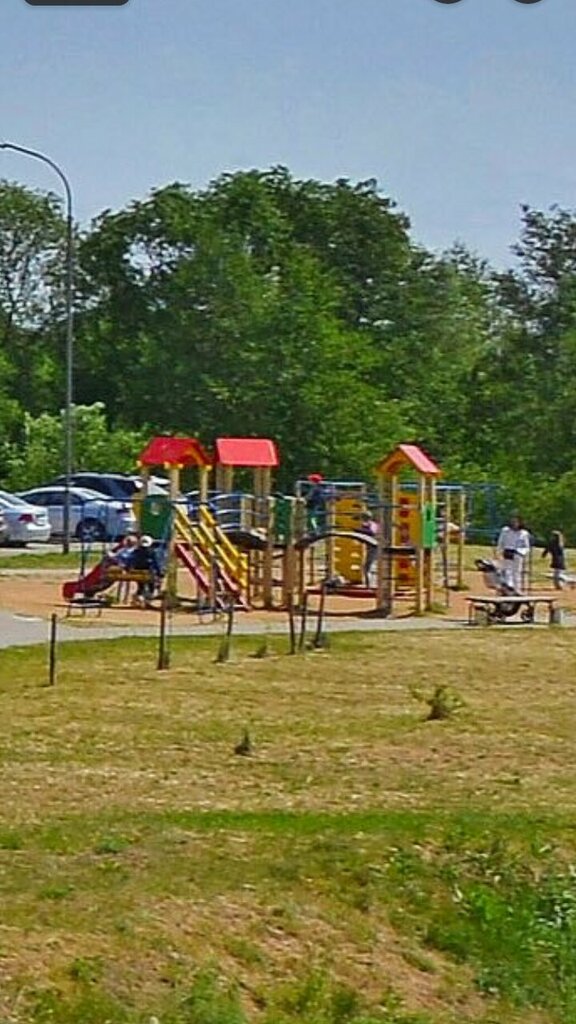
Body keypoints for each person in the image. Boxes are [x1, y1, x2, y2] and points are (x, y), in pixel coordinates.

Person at [496, 515, 531, 594]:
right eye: (512, 521)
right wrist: (499, 552)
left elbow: (526, 546)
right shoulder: (505, 531)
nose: (514, 523)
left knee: (517, 572)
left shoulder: (524, 533)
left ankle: (517, 589)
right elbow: (500, 542)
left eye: (516, 522)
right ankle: (509, 587)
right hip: (507, 552)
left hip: (518, 554)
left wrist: (520, 553)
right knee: (507, 570)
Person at [128, 534, 162, 607]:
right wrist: (159, 572)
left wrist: (129, 567)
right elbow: (155, 563)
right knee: (151, 586)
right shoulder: (152, 552)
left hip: (137, 572)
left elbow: (131, 560)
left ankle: (139, 598)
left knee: (141, 586)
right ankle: (147, 600)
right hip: (149, 572)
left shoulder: (136, 551)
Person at [359, 511, 379, 587]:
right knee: (367, 566)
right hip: (370, 547)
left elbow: (371, 533)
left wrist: (361, 530)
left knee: (368, 566)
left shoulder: (373, 525)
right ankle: (368, 583)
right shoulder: (365, 525)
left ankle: (370, 584)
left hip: (375, 546)